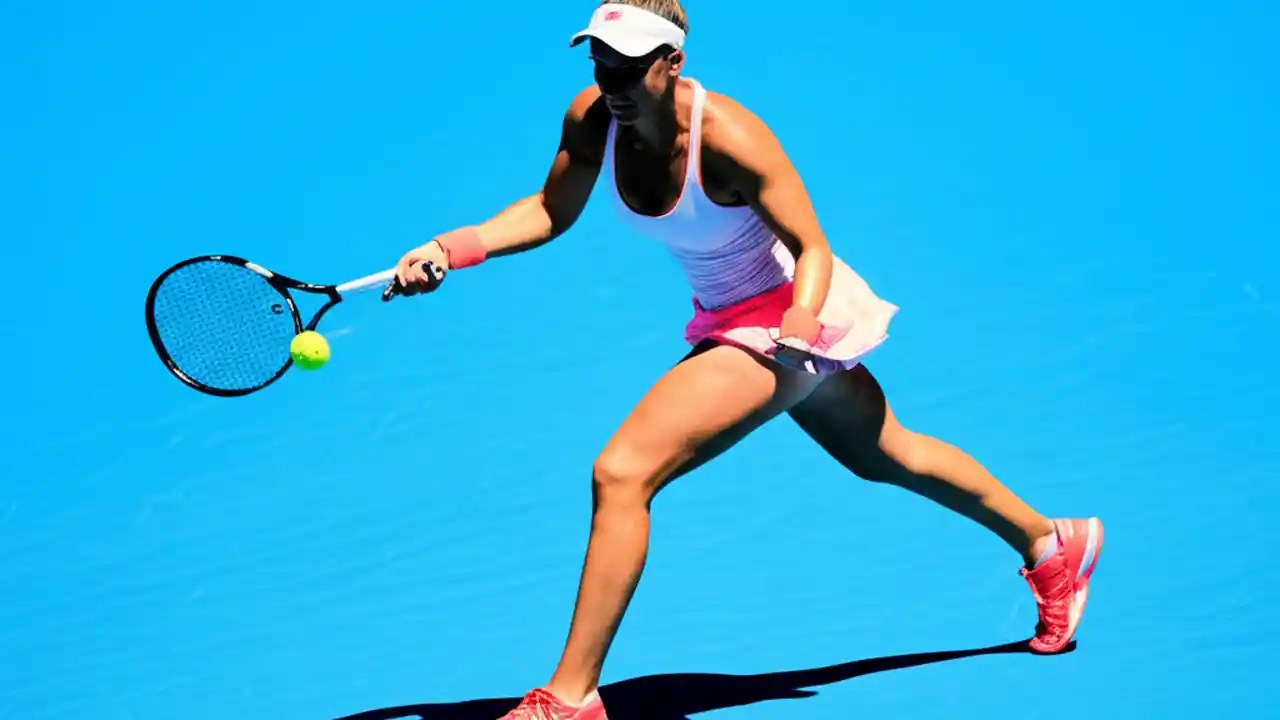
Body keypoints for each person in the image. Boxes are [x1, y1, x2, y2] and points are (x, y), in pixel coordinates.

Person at [391, 2, 1104, 718]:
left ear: (672, 63)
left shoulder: (730, 138)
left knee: (623, 473)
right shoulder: (594, 116)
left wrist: (798, 327)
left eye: (629, 66)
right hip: (727, 315)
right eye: (600, 61)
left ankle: (571, 697)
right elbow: (551, 209)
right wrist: (450, 249)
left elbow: (812, 247)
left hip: (786, 316)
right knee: (885, 453)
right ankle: (1051, 544)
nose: (612, 80)